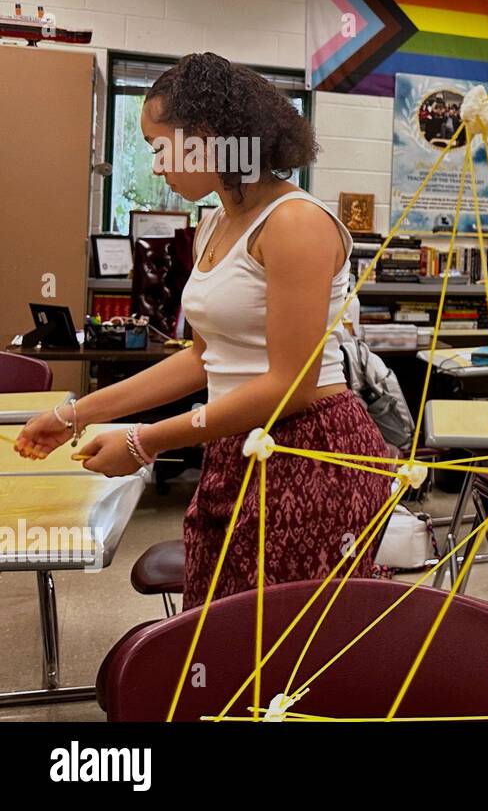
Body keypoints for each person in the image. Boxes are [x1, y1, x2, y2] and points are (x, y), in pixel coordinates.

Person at [16, 52, 391, 611]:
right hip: (237, 442)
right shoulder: (216, 221)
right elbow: (202, 358)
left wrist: (143, 442)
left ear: (208, 137)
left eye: (157, 146)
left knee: (275, 652)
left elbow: (289, 383)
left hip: (310, 450)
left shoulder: (295, 223)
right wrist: (78, 413)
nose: (156, 166)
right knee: (222, 633)